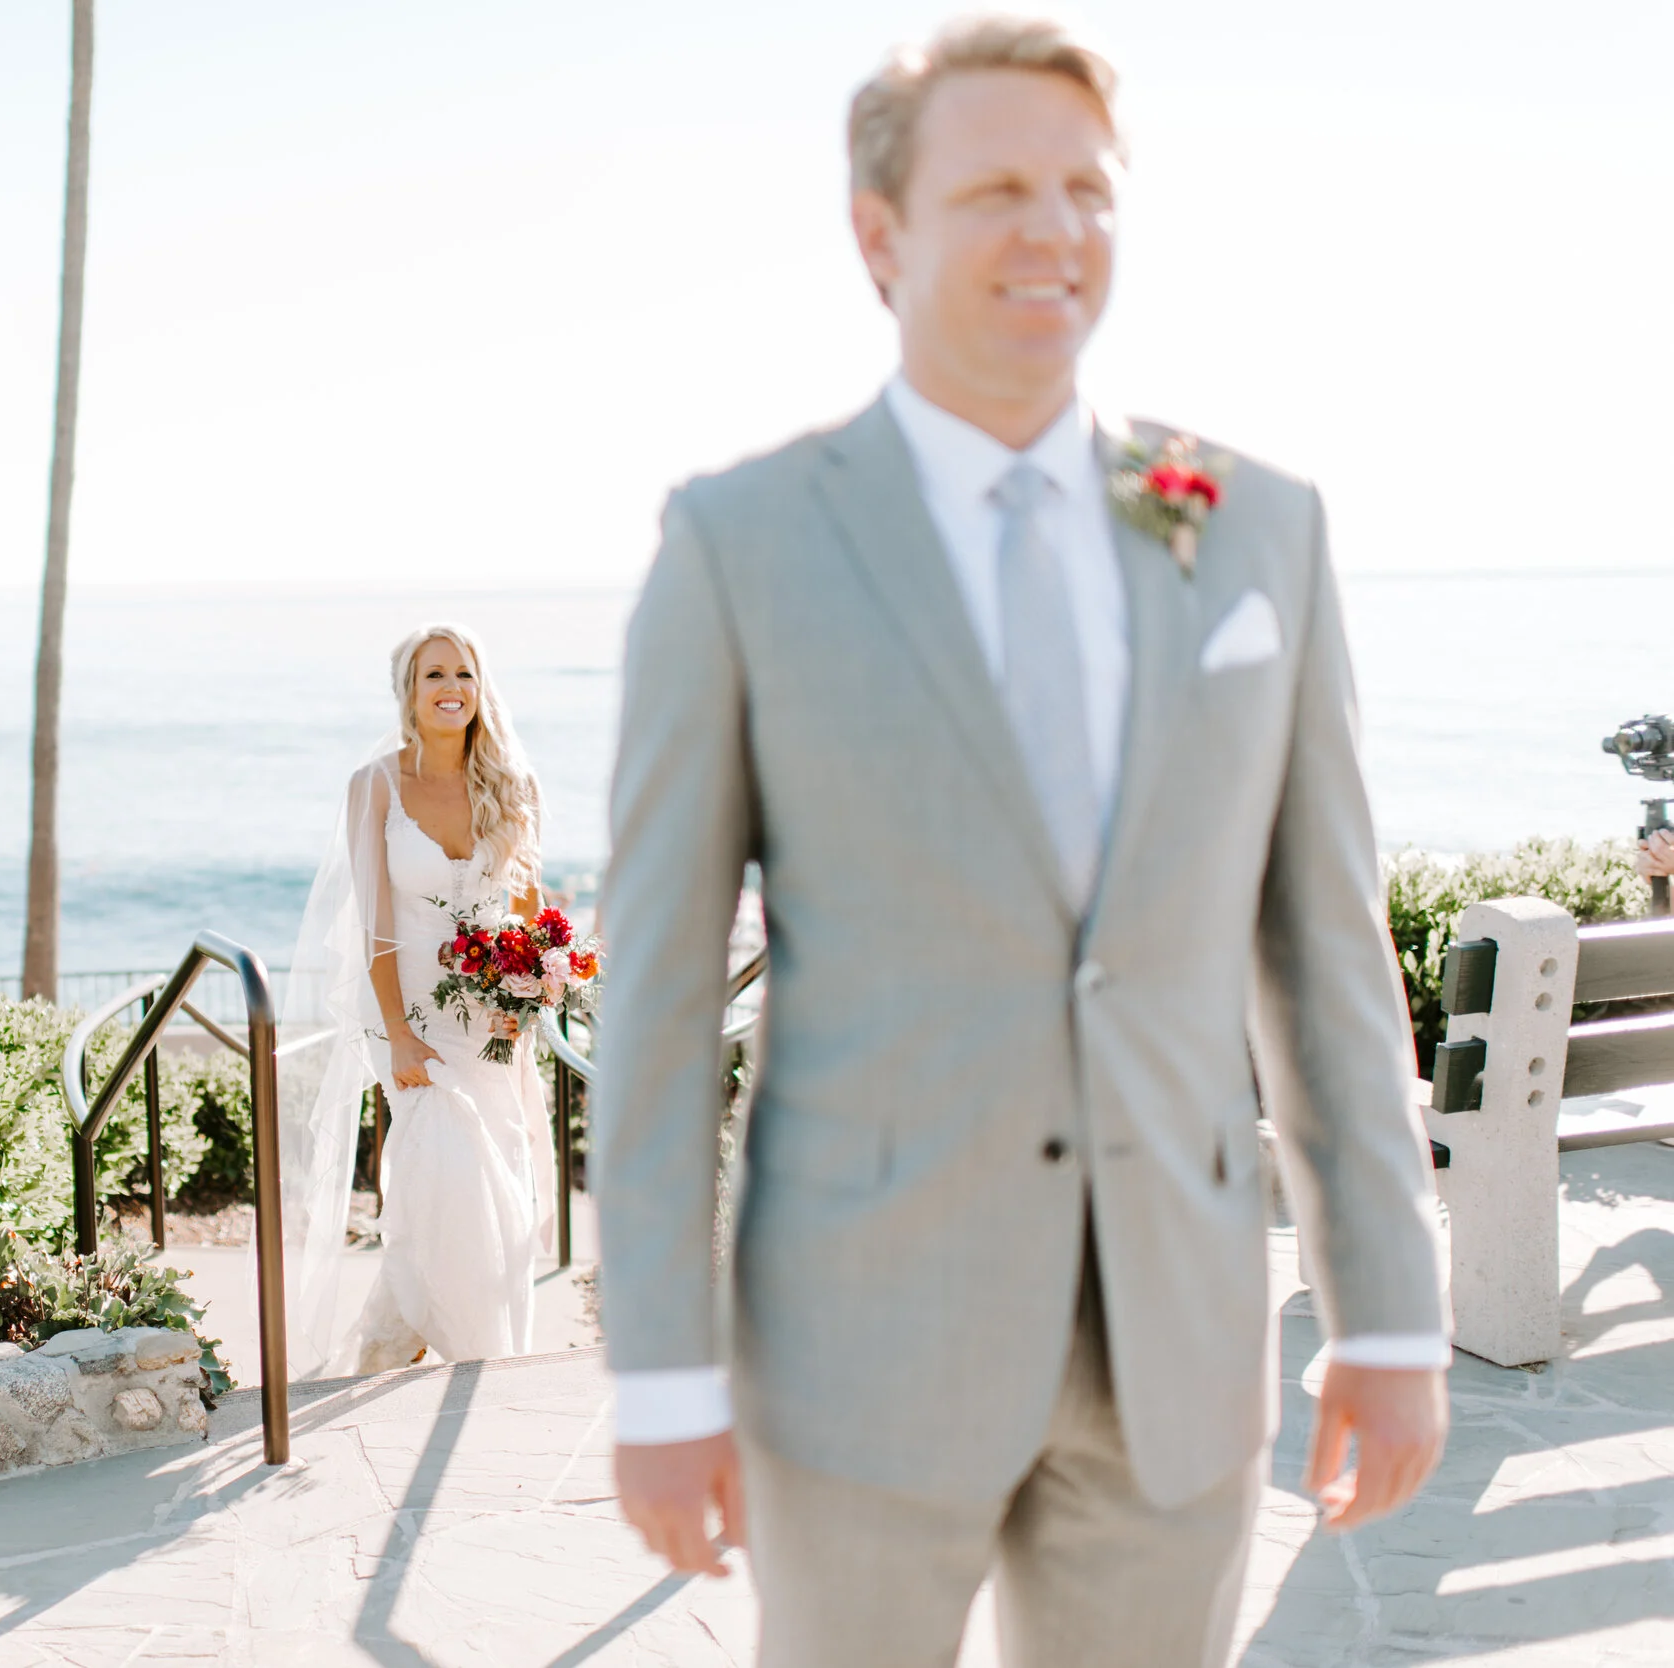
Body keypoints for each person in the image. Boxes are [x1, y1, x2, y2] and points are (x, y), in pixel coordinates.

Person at [594, 20, 1449, 1666]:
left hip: (1177, 1351)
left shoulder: (1257, 527)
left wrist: (1391, 1314)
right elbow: (660, 999)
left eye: (1088, 189)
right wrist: (662, 1373)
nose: (1054, 228)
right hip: (858, 1353)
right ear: (880, 234)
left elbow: (1329, 953)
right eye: (997, 189)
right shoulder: (739, 545)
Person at [278, 625, 556, 1376]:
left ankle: (393, 1341)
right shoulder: (374, 785)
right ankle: (478, 1355)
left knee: (493, 1173)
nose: (451, 688)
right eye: (434, 674)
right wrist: (398, 1032)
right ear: (408, 689)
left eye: (463, 673)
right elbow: (373, 924)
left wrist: (522, 998)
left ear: (480, 687)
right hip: (410, 1014)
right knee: (448, 1163)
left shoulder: (514, 785)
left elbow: (527, 911)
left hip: (491, 1018)